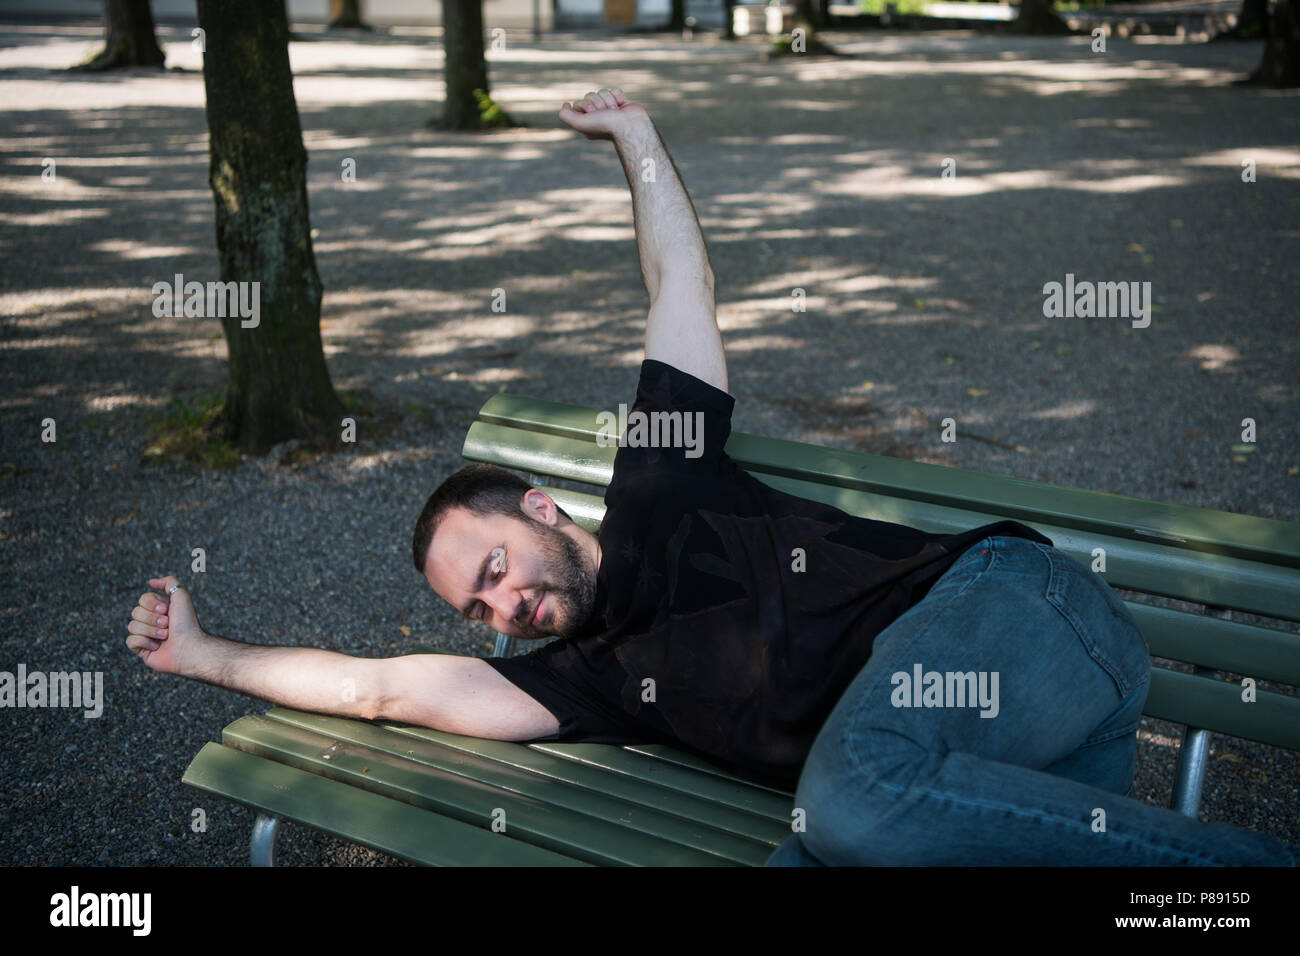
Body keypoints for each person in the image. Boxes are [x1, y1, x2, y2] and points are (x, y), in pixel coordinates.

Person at [126, 88, 1294, 866]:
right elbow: (382, 689)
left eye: (496, 569)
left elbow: (678, 287)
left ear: (540, 508)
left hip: (1014, 622)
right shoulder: (576, 679)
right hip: (982, 764)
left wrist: (636, 136)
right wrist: (204, 653)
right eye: (479, 609)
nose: (505, 607)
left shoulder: (660, 489)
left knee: (843, 803)